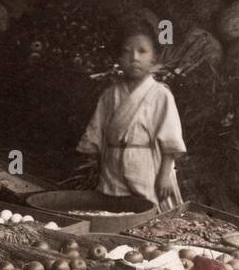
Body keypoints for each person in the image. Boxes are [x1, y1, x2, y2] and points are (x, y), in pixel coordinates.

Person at [77, 28, 185, 207]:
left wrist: (164, 175)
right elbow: (96, 131)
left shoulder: (160, 95)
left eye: (142, 51)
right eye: (127, 52)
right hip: (112, 165)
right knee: (112, 210)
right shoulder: (110, 95)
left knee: (145, 213)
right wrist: (99, 163)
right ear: (119, 59)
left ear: (153, 59)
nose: (134, 57)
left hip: (144, 165)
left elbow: (170, 139)